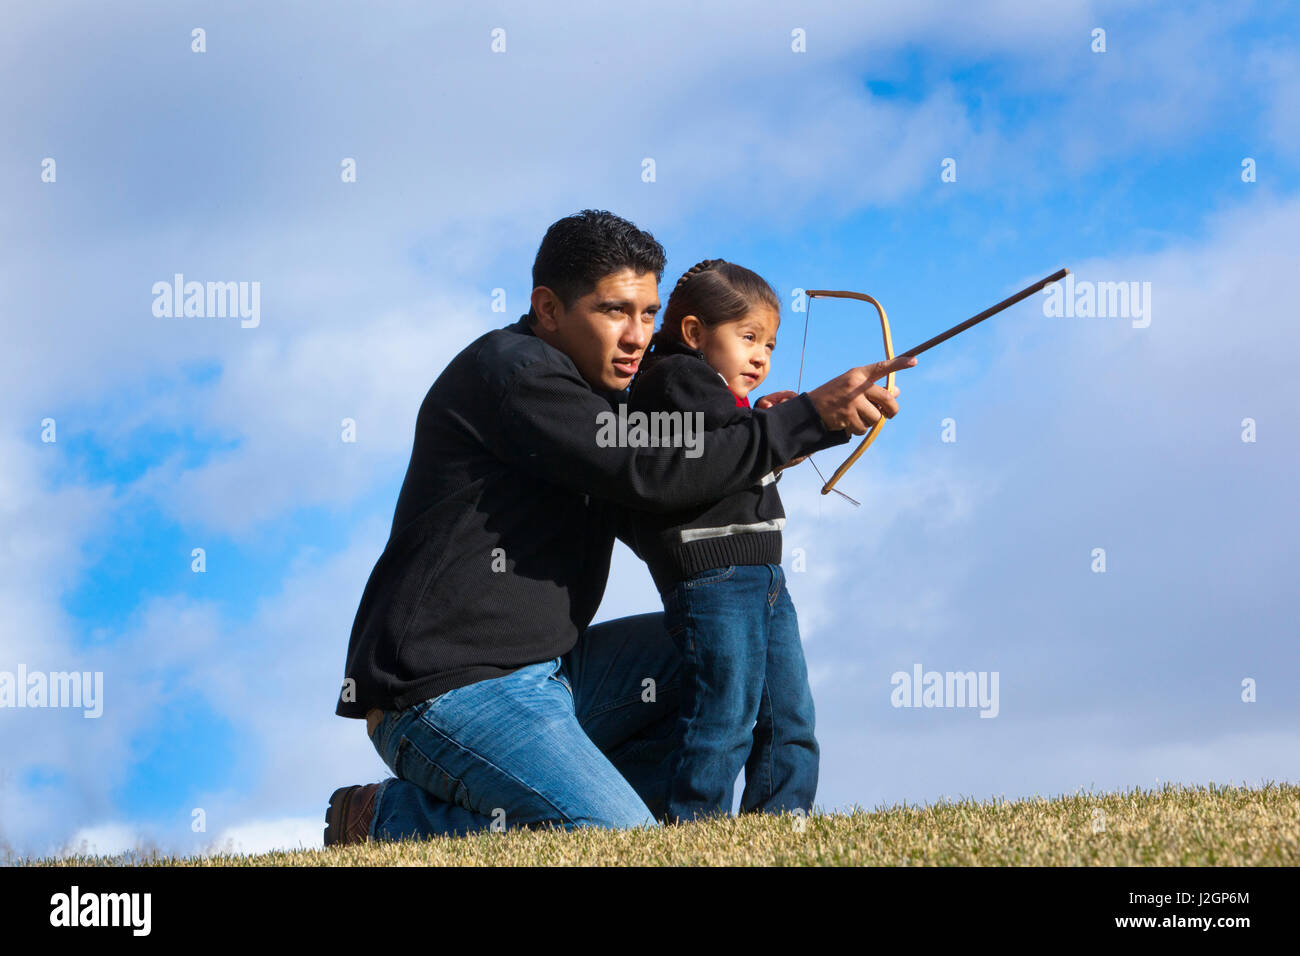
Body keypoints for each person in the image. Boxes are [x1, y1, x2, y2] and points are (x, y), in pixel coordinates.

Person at [325, 210, 913, 845]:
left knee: (726, 656)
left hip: (555, 674)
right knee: (615, 839)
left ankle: (646, 814)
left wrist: (763, 437)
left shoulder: (605, 402)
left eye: (648, 313)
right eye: (614, 311)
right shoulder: (516, 373)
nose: (637, 336)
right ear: (548, 309)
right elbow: (646, 470)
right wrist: (800, 421)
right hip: (444, 695)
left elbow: (664, 491)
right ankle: (387, 817)